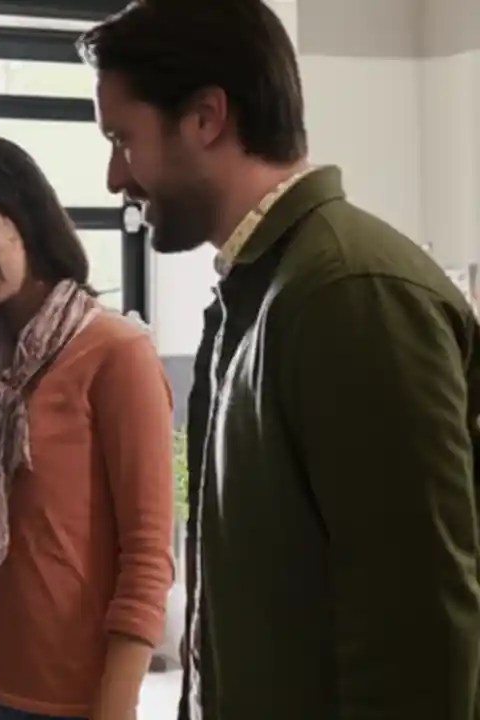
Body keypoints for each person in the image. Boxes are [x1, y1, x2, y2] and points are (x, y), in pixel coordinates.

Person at [77, 2, 480, 718]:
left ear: (206, 117)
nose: (115, 176)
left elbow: (417, 633)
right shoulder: (262, 291)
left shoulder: (351, 293)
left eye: (122, 139)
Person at [0, 134, 175, 720]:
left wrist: (117, 703)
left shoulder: (115, 352)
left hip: (58, 681)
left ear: (23, 216)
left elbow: (148, 554)